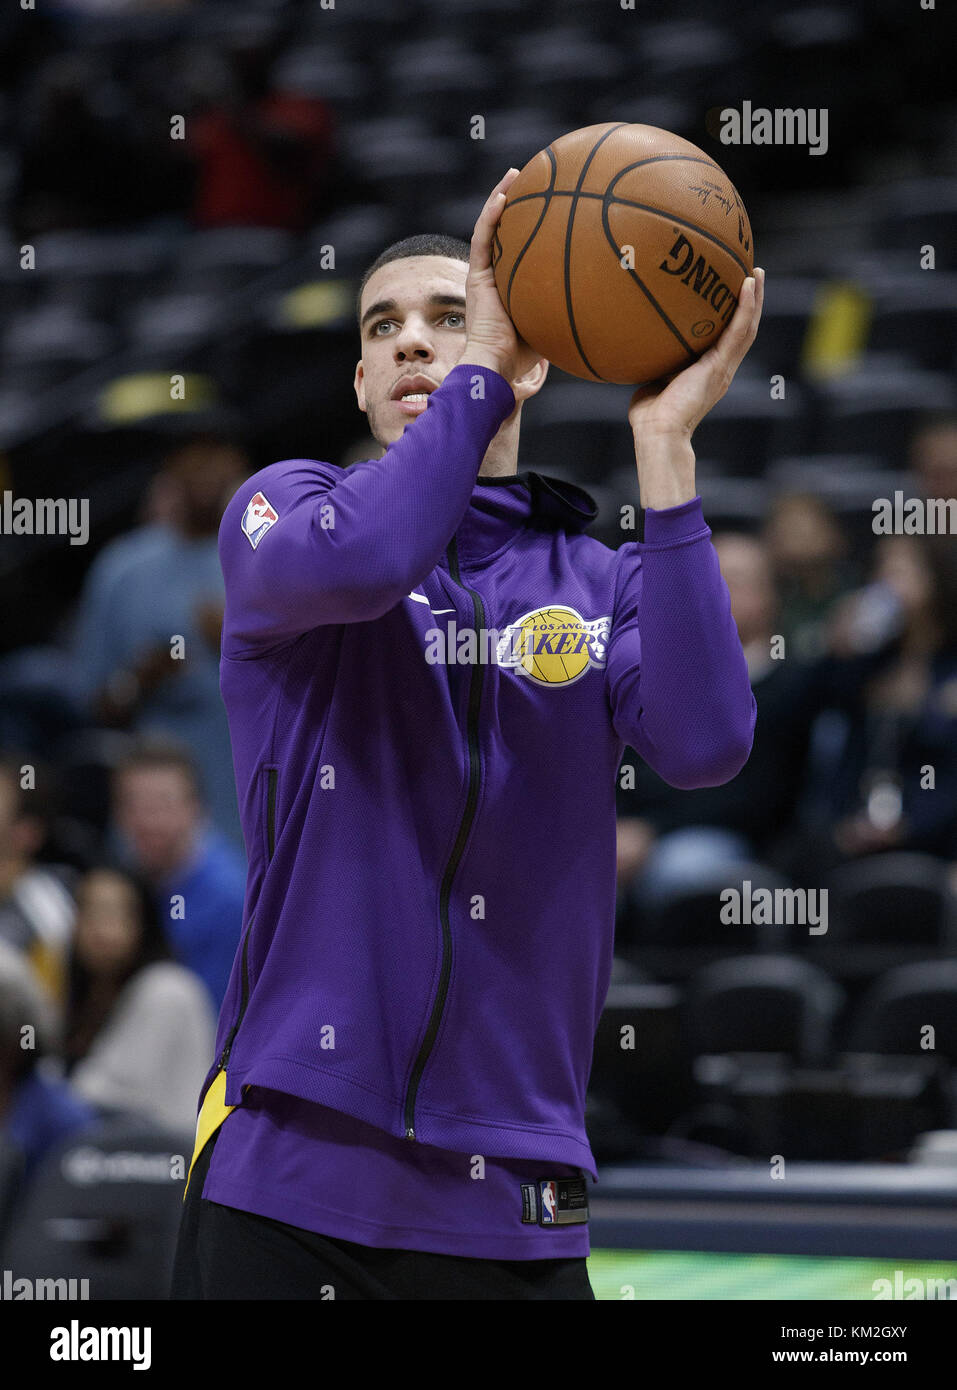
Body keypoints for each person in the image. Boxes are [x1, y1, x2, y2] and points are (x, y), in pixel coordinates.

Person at [171, 170, 764, 1302]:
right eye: (383, 327)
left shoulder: (604, 582)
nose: (413, 344)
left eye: (453, 315)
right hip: (290, 1175)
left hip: (519, 1196)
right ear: (357, 379)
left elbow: (705, 745)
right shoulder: (283, 517)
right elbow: (375, 557)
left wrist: (667, 450)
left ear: (532, 357)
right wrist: (476, 377)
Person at [70, 433, 249, 847]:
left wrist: (240, 642)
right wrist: (139, 680)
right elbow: (91, 702)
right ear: (169, 470)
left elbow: (317, 687)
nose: (204, 474)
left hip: (246, 790)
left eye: (215, 458)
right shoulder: (123, 568)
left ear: (236, 464)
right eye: (192, 461)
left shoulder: (271, 553)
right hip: (152, 804)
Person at [63, 865, 216, 1134]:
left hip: (169, 1160)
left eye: (114, 913)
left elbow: (110, 1095)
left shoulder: (167, 989)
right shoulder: (85, 993)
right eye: (89, 912)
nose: (99, 928)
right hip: (109, 1153)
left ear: (144, 922)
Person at [111, 738, 247, 1010]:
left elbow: (218, 1021)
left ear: (195, 808)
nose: (148, 820)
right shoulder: (121, 879)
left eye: (163, 804)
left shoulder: (230, 899)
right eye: (135, 805)